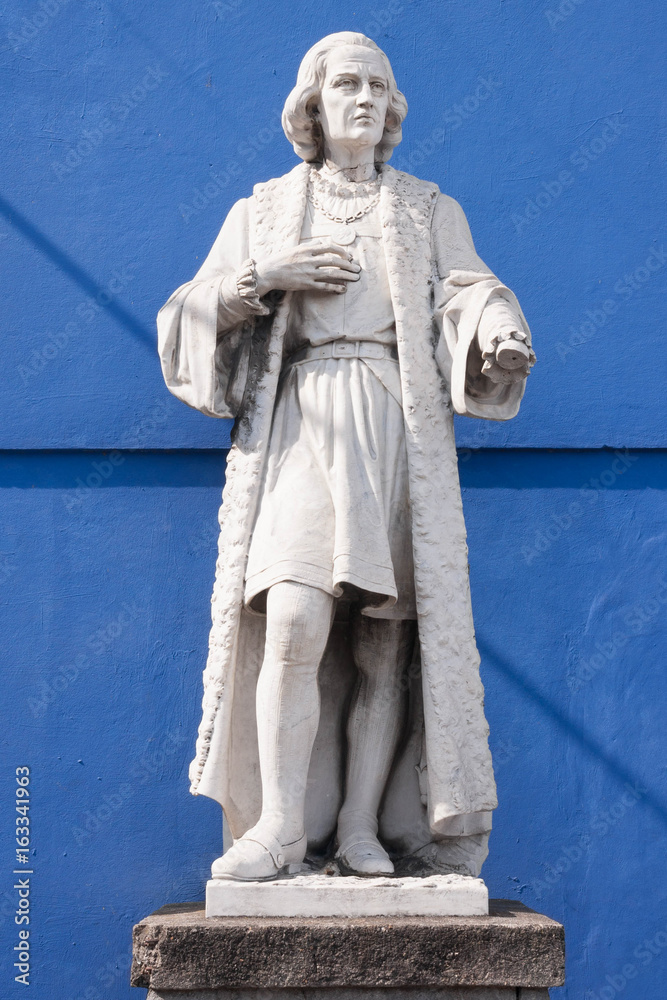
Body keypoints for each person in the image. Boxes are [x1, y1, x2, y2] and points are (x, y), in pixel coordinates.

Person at [158, 31, 535, 882]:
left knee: (382, 647)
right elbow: (185, 313)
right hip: (300, 418)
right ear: (313, 106)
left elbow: (467, 288)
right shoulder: (261, 211)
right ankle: (281, 825)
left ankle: (362, 827)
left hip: (393, 424)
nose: (364, 98)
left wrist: (497, 330)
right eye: (346, 86)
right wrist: (265, 277)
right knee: (290, 621)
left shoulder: (426, 208)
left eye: (378, 86)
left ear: (391, 107)